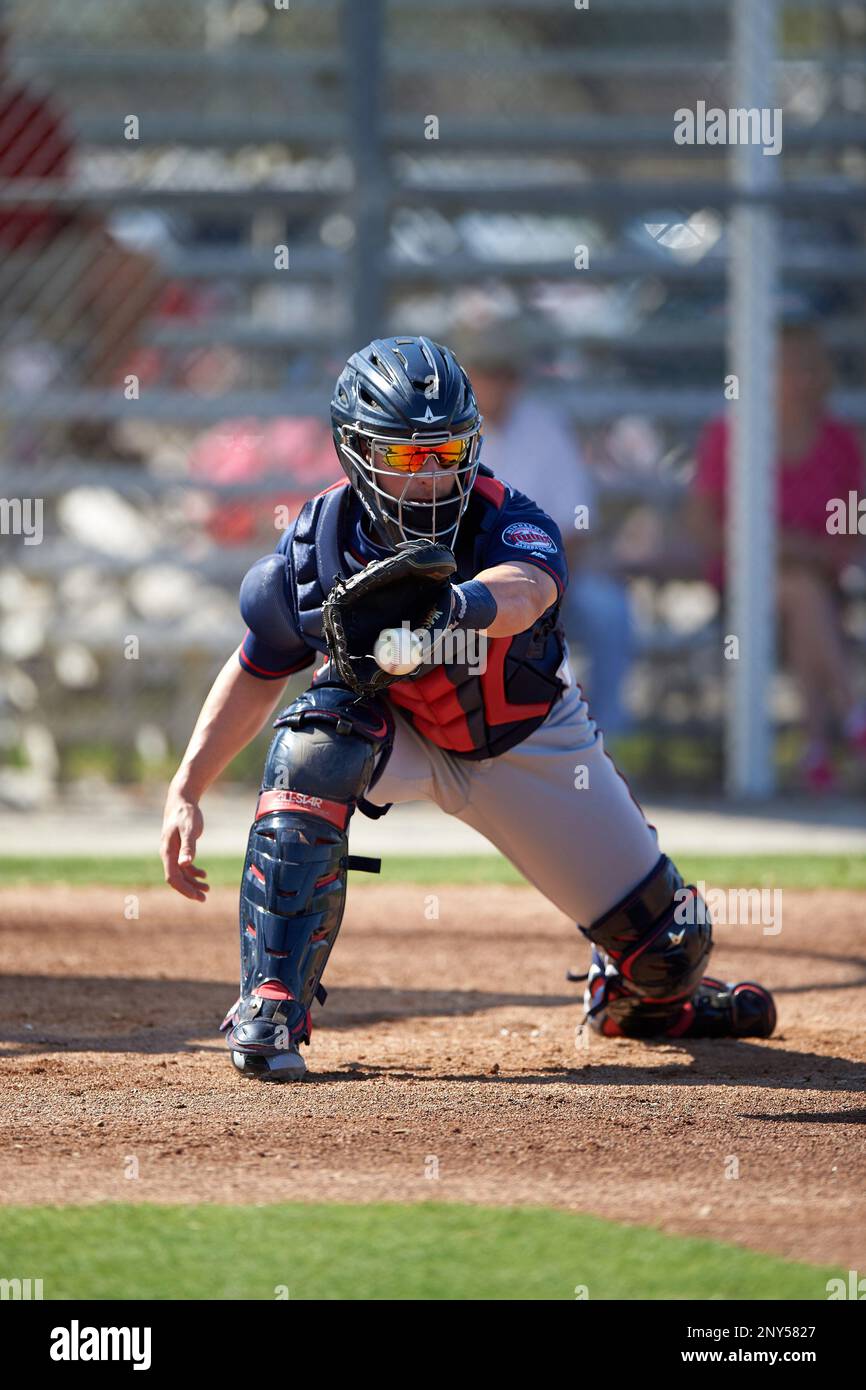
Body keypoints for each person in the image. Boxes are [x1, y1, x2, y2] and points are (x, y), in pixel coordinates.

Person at [160, 335, 775, 1082]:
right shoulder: (312, 551)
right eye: (409, 458)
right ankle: (271, 1001)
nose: (434, 477)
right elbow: (258, 666)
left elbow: (529, 590)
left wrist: (457, 604)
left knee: (672, 950)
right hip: (398, 736)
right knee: (312, 744)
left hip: (528, 742)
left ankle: (642, 1001)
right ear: (355, 450)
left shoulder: (502, 518)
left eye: (449, 453)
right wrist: (188, 787)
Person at [688, 321, 866, 791]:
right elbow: (705, 526)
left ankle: (817, 749)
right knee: (801, 595)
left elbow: (854, 528)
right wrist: (765, 548)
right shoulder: (731, 433)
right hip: (741, 586)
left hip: (820, 584)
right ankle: (848, 720)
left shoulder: (840, 441)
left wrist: (805, 549)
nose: (797, 380)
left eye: (807, 368)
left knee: (803, 595)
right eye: (784, 368)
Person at [452, 321, 634, 733]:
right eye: (485, 370)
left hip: (547, 574)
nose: (495, 382)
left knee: (609, 611)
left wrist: (541, 579)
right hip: (462, 579)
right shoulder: (444, 432)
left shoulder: (546, 428)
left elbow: (578, 523)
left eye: (504, 371)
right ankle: (468, 738)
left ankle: (601, 738)